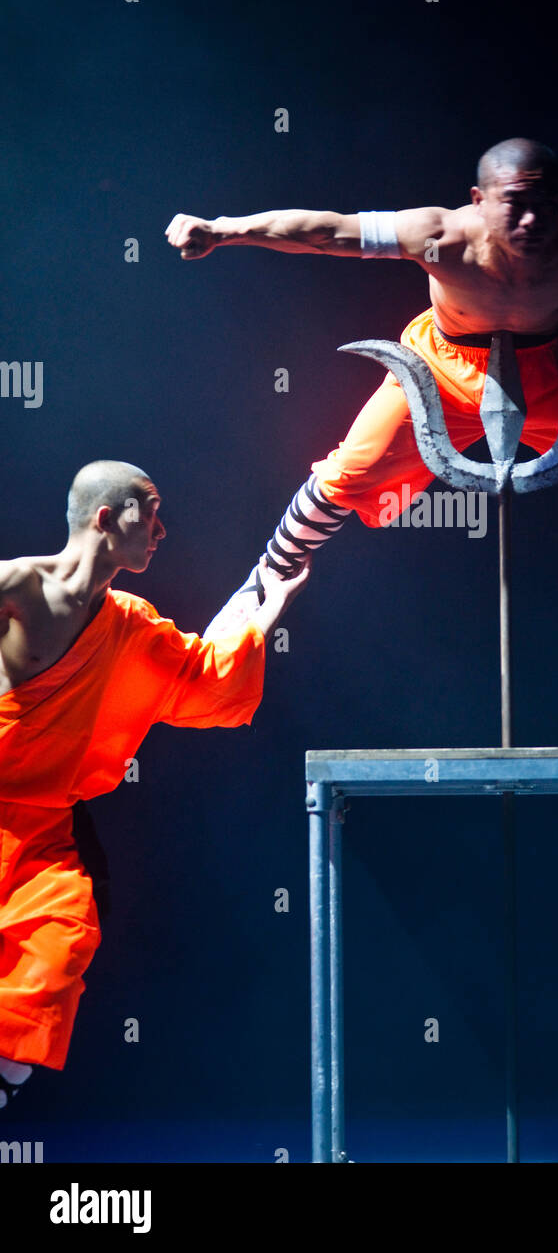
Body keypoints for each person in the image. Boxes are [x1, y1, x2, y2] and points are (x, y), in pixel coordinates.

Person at [165, 139, 558, 632]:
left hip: (552, 368)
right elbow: (328, 231)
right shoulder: (437, 235)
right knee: (349, 475)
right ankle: (267, 575)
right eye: (512, 202)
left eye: (543, 203)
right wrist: (223, 229)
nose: (529, 219)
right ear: (477, 198)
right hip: (441, 367)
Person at [0, 461, 310, 1106]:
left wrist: (264, 614)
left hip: (43, 837)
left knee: (62, 941)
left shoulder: (130, 624)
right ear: (105, 518)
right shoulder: (15, 588)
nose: (162, 529)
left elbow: (204, 676)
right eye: (151, 509)